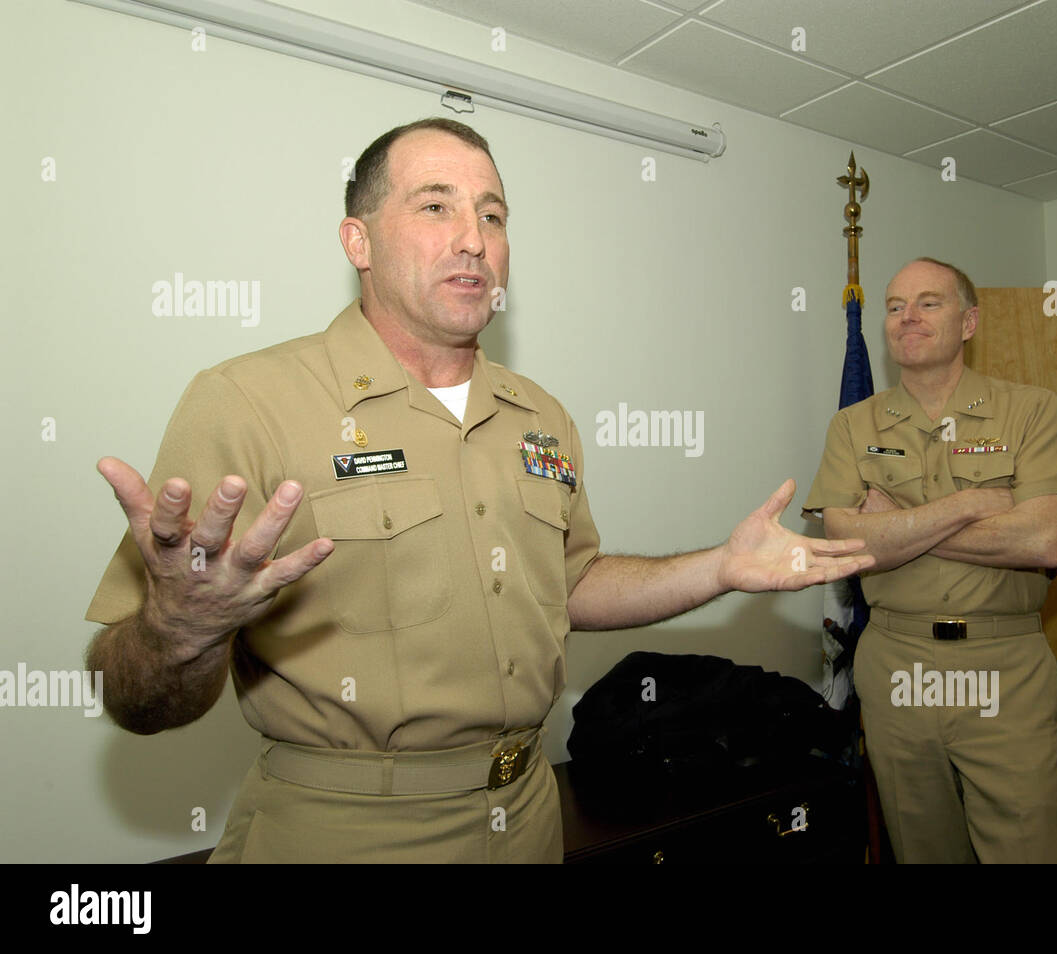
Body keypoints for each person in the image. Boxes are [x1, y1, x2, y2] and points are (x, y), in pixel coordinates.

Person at [83, 118, 874, 864]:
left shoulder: (541, 416)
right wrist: (177, 631)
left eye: (493, 216)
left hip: (528, 810)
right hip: (349, 829)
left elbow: (569, 585)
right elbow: (131, 694)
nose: (474, 240)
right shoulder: (249, 400)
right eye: (436, 206)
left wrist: (722, 567)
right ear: (357, 241)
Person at [803, 257, 1057, 863]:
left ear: (969, 321)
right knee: (923, 850)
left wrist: (896, 523)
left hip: (1005, 667)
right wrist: (969, 504)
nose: (906, 317)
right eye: (894, 307)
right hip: (896, 665)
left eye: (928, 303)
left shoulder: (1031, 411)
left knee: (1027, 848)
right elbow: (845, 542)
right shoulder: (850, 425)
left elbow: (1044, 541)